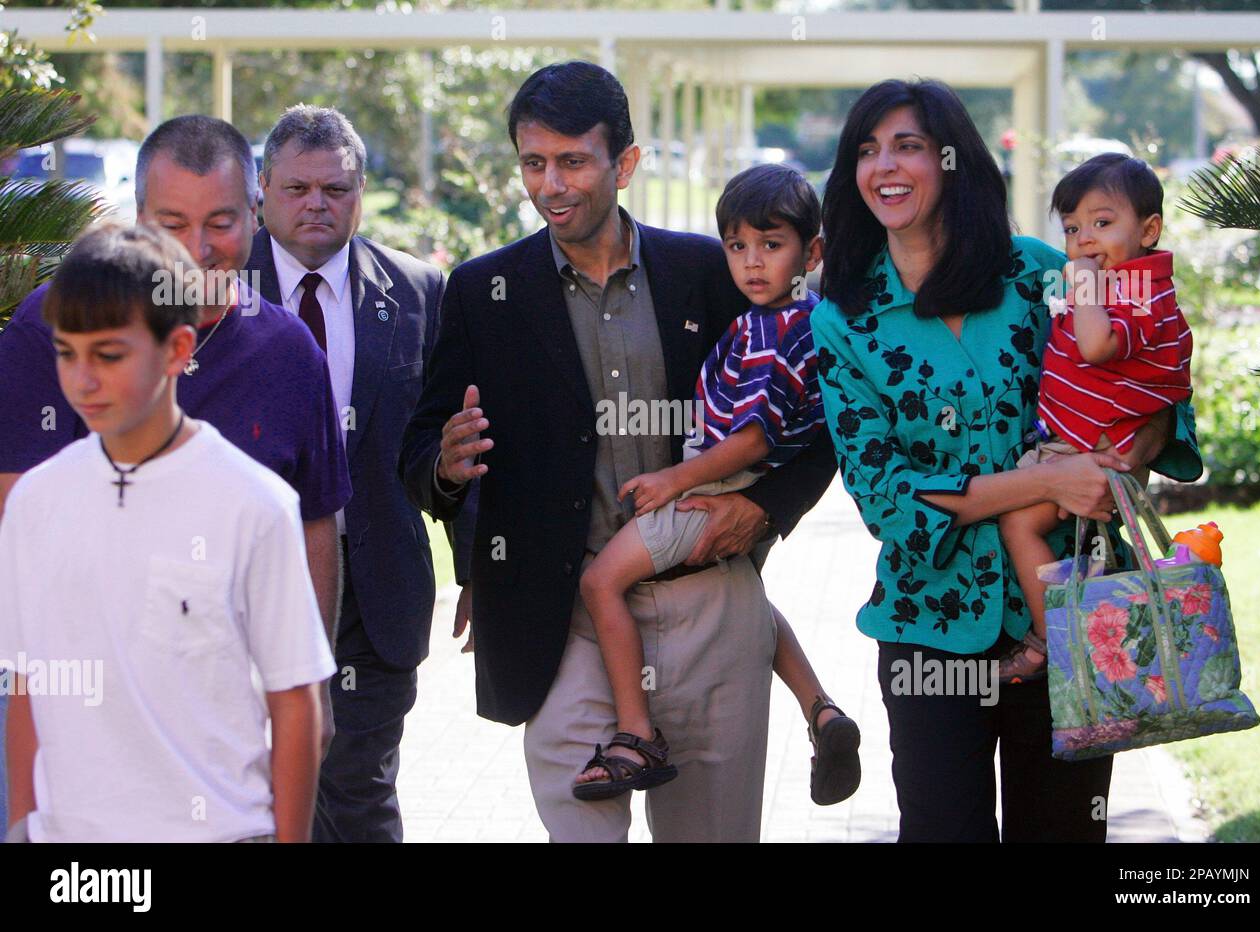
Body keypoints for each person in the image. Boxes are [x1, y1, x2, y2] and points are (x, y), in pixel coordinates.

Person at [400, 61, 836, 842]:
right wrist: (445, 463)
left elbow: (819, 411)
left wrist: (762, 508)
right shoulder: (480, 291)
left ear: (624, 164)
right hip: (565, 621)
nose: (550, 184)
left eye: (572, 161)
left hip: (711, 610)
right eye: (534, 163)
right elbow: (424, 452)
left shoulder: (713, 269)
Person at [809, 79, 1202, 842]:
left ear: (953, 161)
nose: (883, 166)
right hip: (931, 630)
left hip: (1080, 613)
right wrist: (1045, 480)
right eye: (866, 150)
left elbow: (1158, 378)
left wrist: (1130, 453)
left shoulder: (1037, 273)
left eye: (908, 146)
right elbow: (887, 499)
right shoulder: (843, 316)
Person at [0, 115, 350, 837]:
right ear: (137, 220)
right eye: (172, 222)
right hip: (88, 778)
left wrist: (306, 693)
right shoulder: (49, 330)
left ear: (254, 214)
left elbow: (315, 529)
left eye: (221, 221)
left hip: (226, 767)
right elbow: (26, 613)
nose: (197, 248)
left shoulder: (288, 354)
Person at [573, 163, 860, 806]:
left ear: (811, 251)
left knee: (600, 581)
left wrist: (673, 480)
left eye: (771, 244)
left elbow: (754, 437)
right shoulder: (795, 317)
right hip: (730, 481)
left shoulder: (781, 331)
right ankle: (821, 709)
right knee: (749, 597)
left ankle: (635, 732)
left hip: (719, 485)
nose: (752, 263)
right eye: (737, 246)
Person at [248, 104, 474, 843]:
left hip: (373, 591)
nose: (317, 203)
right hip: (241, 589)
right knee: (249, 792)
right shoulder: (212, 288)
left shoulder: (415, 292)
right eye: (297, 188)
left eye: (336, 189)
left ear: (361, 190)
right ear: (262, 190)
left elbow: (449, 441)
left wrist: (476, 563)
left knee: (356, 790)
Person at [996, 153, 1192, 683]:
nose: (1084, 240)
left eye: (1102, 224)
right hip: (1087, 442)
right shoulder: (1120, 285)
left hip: (1091, 448)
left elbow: (1096, 345)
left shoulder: (1139, 291)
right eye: (1072, 228)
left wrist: (1081, 286)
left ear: (1149, 230)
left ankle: (1054, 643)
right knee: (1086, 550)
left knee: (1018, 521)